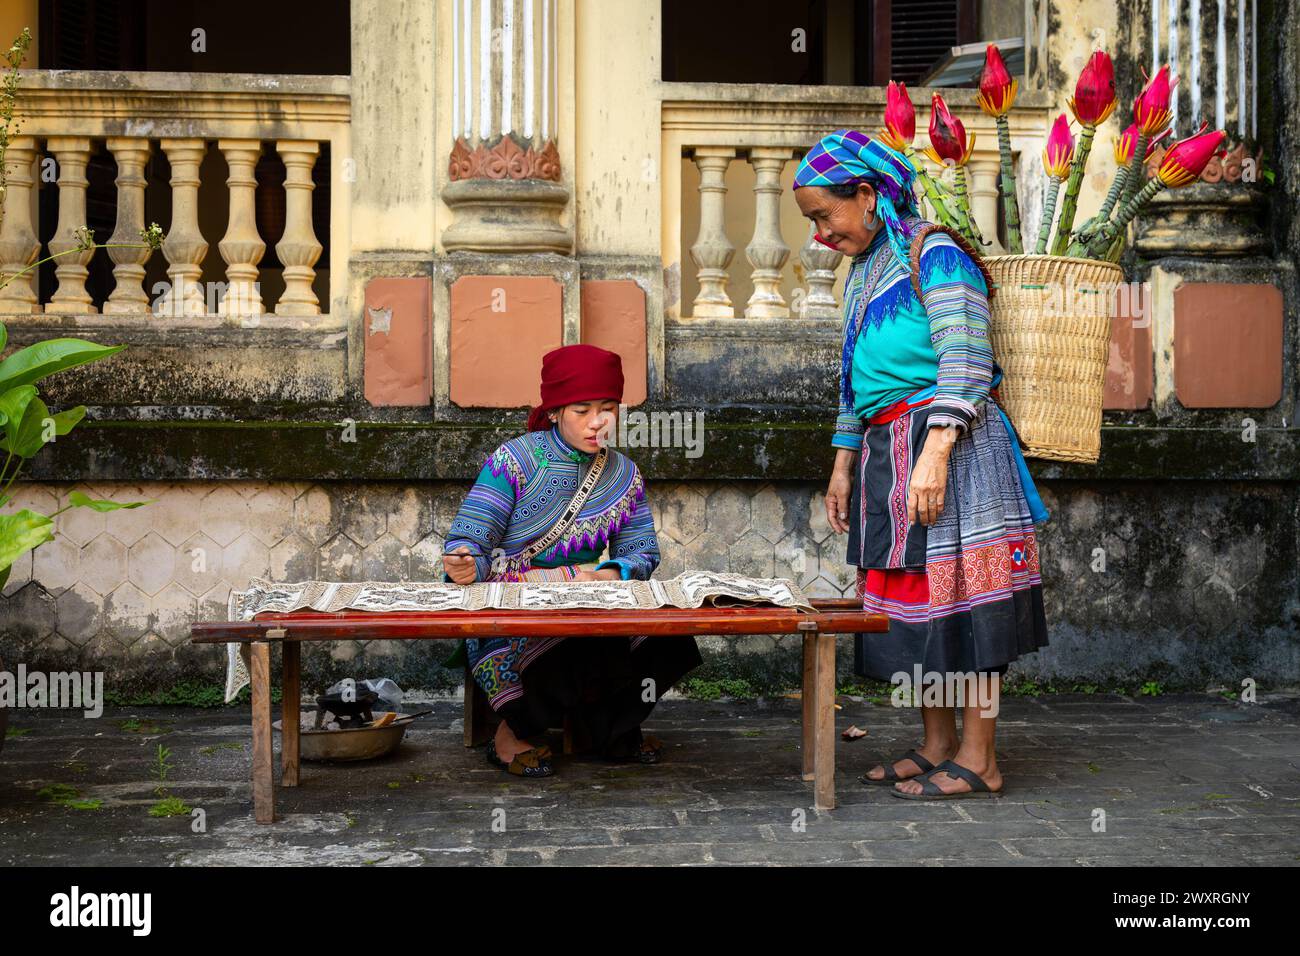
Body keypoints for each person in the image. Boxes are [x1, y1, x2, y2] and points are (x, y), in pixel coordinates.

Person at [792, 128, 1051, 800]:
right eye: (814, 221)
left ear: (870, 195)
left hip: (952, 448)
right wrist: (843, 463)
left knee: (966, 601)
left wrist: (935, 453)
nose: (823, 233)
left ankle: (980, 756)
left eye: (827, 214)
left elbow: (965, 356)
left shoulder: (932, 253)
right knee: (919, 608)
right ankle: (937, 744)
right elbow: (856, 380)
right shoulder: (862, 273)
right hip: (887, 449)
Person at [441, 343, 702, 777]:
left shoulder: (625, 474)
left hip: (588, 599)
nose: (597, 422)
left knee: (670, 637)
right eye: (581, 410)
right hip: (513, 610)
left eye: (608, 408)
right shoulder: (514, 461)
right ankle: (510, 733)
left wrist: (609, 573)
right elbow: (470, 543)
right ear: (555, 410)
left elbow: (642, 553)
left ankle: (611, 729)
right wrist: (466, 563)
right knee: (577, 638)